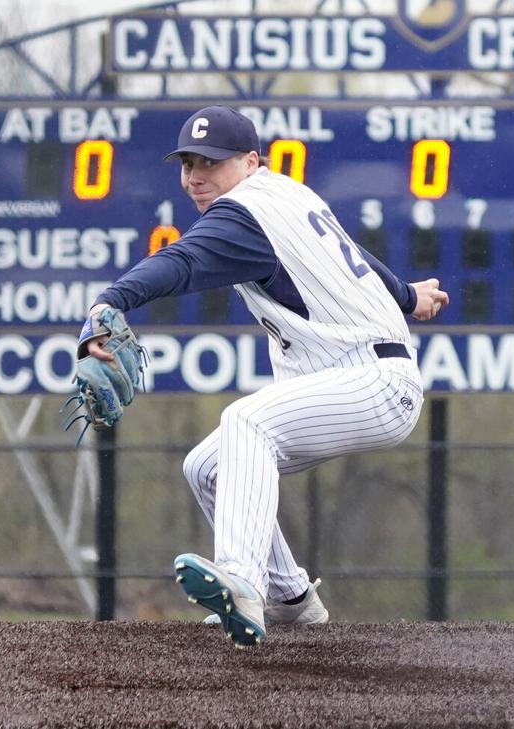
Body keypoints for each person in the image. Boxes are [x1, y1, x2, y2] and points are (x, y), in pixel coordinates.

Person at [80, 105, 448, 647]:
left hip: (374, 382)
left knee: (247, 421)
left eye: (211, 162)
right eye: (187, 163)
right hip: (356, 376)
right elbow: (354, 254)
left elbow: (181, 262)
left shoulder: (243, 212)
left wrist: (110, 301)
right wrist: (407, 296)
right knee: (206, 467)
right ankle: (290, 598)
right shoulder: (289, 195)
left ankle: (242, 581)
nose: (195, 176)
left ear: (251, 161)